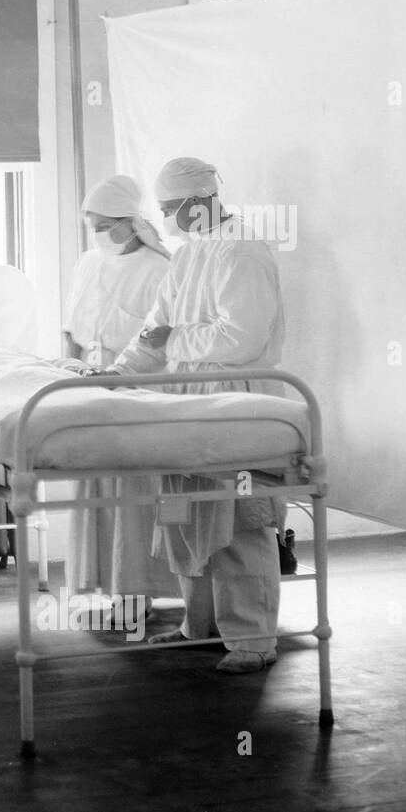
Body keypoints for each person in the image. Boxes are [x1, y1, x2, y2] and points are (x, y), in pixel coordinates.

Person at [101, 156, 287, 674]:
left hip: (234, 401)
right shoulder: (186, 256)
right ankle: (198, 627)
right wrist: (113, 374)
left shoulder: (242, 249)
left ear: (199, 202)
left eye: (167, 210)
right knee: (185, 518)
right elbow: (154, 331)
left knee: (239, 522)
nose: (162, 221)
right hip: (186, 398)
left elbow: (242, 338)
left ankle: (253, 640)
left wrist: (175, 340)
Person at [62, 175, 179, 610]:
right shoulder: (88, 263)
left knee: (135, 496)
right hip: (91, 384)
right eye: (91, 225)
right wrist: (71, 372)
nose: (97, 235)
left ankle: (140, 592)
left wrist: (118, 373)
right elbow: (72, 326)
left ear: (131, 222)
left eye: (104, 224)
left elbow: (157, 342)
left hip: (138, 389)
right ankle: (105, 587)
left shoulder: (160, 270)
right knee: (97, 492)